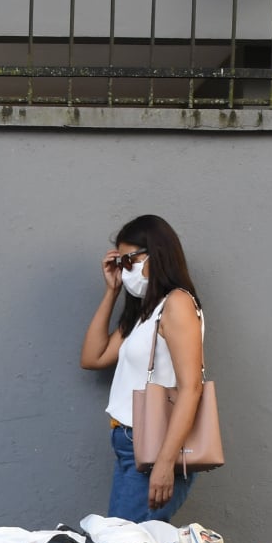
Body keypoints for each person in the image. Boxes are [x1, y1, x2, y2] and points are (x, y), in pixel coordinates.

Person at [80, 213, 206, 522]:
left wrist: (165, 462)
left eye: (130, 260)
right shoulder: (146, 311)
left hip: (155, 445)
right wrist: (112, 291)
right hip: (129, 443)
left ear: (156, 254)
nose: (125, 270)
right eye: (120, 262)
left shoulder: (177, 304)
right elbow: (93, 358)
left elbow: (191, 387)